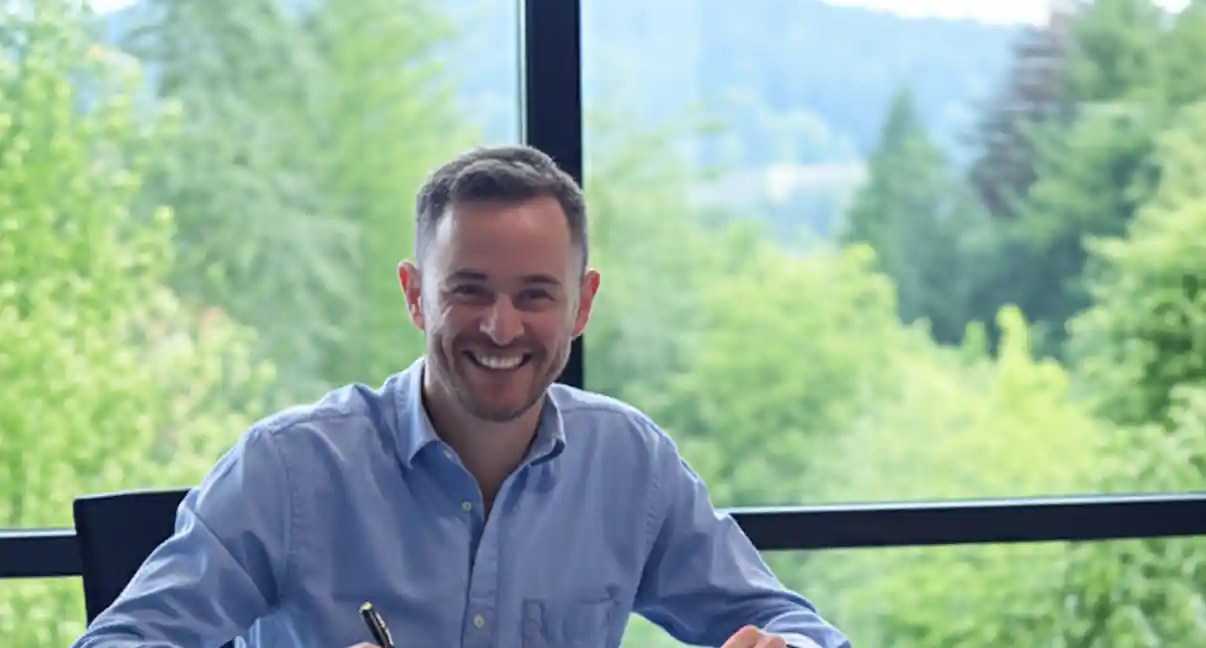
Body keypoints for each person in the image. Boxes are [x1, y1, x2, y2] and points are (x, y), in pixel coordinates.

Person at [72, 145, 852, 648]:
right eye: (468, 290)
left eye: (536, 296)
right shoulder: (289, 468)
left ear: (582, 306)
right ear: (416, 296)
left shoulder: (630, 465)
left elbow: (796, 626)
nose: (501, 326)